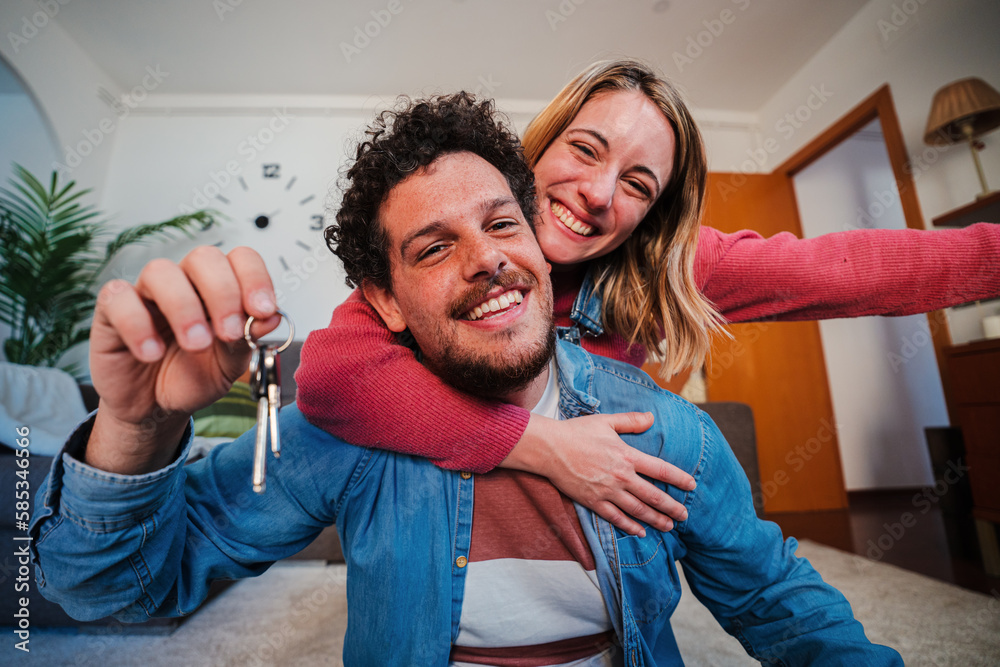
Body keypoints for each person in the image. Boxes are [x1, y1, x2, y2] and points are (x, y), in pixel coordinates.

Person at [31, 93, 902, 666]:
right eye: (435, 246)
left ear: (540, 240)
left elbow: (780, 601)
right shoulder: (343, 435)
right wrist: (134, 422)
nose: (489, 261)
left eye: (503, 224)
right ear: (387, 300)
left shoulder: (667, 434)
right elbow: (108, 592)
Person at [295, 58, 1000, 537]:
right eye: (586, 150)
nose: (600, 194)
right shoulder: (447, 240)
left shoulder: (665, 266)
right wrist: (538, 444)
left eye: (638, 184)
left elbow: (843, 269)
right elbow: (328, 375)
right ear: (537, 147)